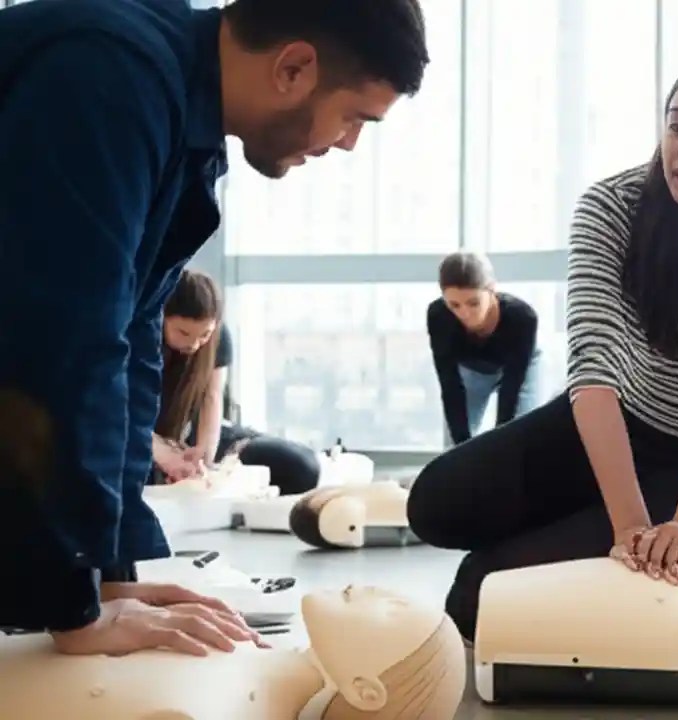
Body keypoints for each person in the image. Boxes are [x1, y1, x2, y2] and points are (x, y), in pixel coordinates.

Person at [0, 0, 429, 656]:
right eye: (354, 118)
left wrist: (113, 571)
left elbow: (130, 334)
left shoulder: (176, 110)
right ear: (294, 67)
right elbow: (62, 338)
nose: (347, 144)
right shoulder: (110, 75)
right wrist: (72, 607)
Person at [407, 57, 678, 641]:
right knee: (433, 503)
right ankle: (578, 531)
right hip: (618, 421)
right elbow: (595, 366)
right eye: (677, 126)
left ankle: (559, 542)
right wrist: (628, 528)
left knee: (477, 596)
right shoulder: (610, 206)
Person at [156, 268, 321, 495]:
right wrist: (162, 453)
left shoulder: (218, 338)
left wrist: (205, 457)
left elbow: (212, 398)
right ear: (161, 317)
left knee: (302, 465)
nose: (194, 344)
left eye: (204, 335)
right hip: (148, 440)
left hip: (201, 436)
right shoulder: (140, 339)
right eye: (183, 333)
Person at [427, 251, 541, 446]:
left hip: (521, 370)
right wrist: (460, 451)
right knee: (453, 450)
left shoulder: (523, 318)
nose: (464, 313)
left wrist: (501, 448)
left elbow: (511, 390)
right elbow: (450, 385)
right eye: (454, 305)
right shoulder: (439, 317)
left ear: (491, 290)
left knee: (520, 441)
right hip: (473, 371)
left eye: (474, 303)